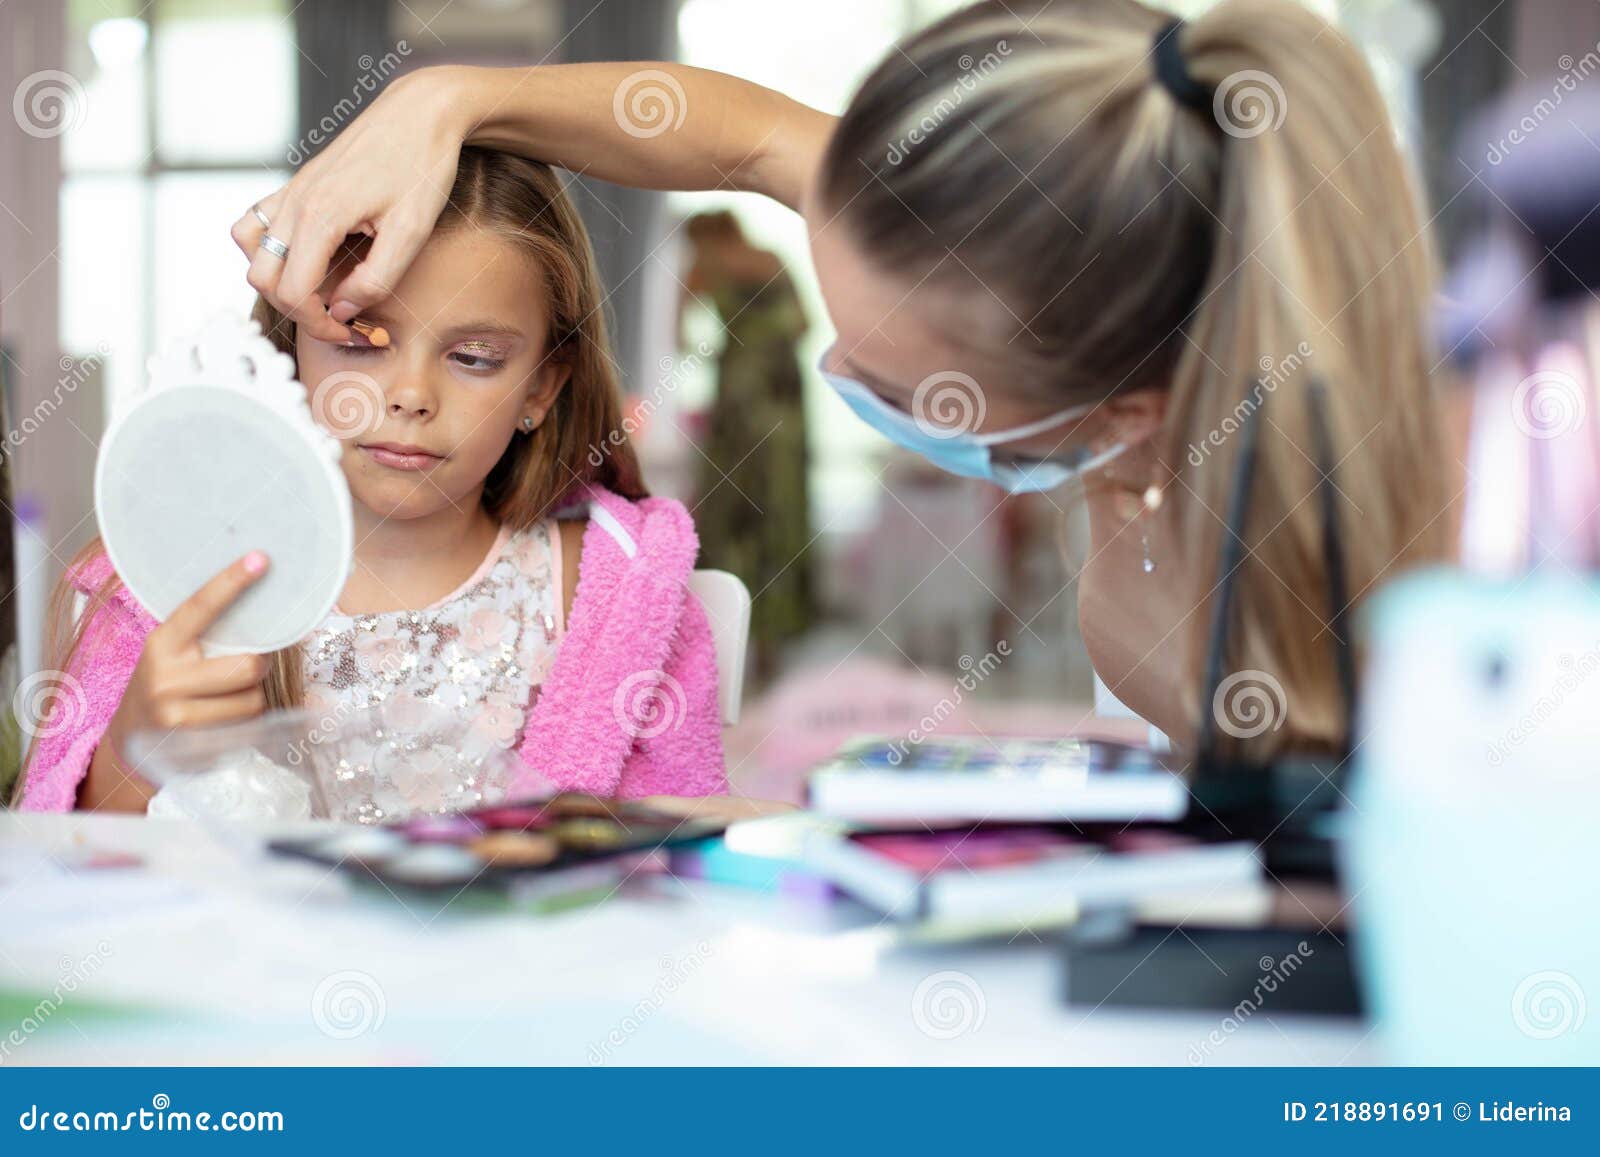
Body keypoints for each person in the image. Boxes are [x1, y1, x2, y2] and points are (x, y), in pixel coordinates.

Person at [233, 0, 1452, 761]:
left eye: (901, 386)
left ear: (1121, 420)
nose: (838, 375)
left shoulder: (1370, 586)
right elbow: (748, 138)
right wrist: (443, 98)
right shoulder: (996, 238)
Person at [15, 148, 725, 812]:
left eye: (474, 356)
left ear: (541, 387)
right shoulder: (174, 584)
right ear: (290, 351)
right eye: (358, 341)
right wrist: (135, 753)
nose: (410, 394)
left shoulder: (618, 591)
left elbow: (667, 874)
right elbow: (61, 873)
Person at [681, 210, 816, 681]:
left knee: (730, 517)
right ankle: (771, 648)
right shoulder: (772, 259)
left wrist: (730, 345)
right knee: (781, 511)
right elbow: (805, 326)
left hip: (739, 405)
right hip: (785, 403)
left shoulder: (705, 264)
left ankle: (727, 644)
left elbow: (679, 338)